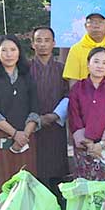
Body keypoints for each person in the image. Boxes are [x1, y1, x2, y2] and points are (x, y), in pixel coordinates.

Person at [0, 35, 40, 206]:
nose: (9, 54)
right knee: (2, 184)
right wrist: (14, 133)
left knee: (26, 185)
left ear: (19, 52)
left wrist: (24, 134)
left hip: (26, 139)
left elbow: (35, 109)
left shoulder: (27, 77)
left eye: (13, 49)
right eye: (4, 50)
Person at [68, 47, 105, 181]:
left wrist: (101, 144)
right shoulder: (77, 89)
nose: (100, 66)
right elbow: (74, 117)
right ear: (88, 64)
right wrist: (90, 145)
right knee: (85, 185)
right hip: (84, 147)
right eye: (96, 61)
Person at [30, 26, 69, 192]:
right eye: (38, 40)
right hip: (31, 125)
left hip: (55, 125)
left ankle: (58, 206)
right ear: (32, 44)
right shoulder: (25, 68)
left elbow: (68, 95)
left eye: (47, 40)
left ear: (54, 43)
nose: (43, 44)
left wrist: (54, 116)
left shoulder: (62, 69)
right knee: (34, 165)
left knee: (56, 165)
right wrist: (36, 118)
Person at [63, 12, 105, 86]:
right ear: (85, 26)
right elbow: (73, 80)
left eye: (100, 22)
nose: (96, 26)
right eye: (92, 22)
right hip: (84, 96)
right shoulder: (76, 49)